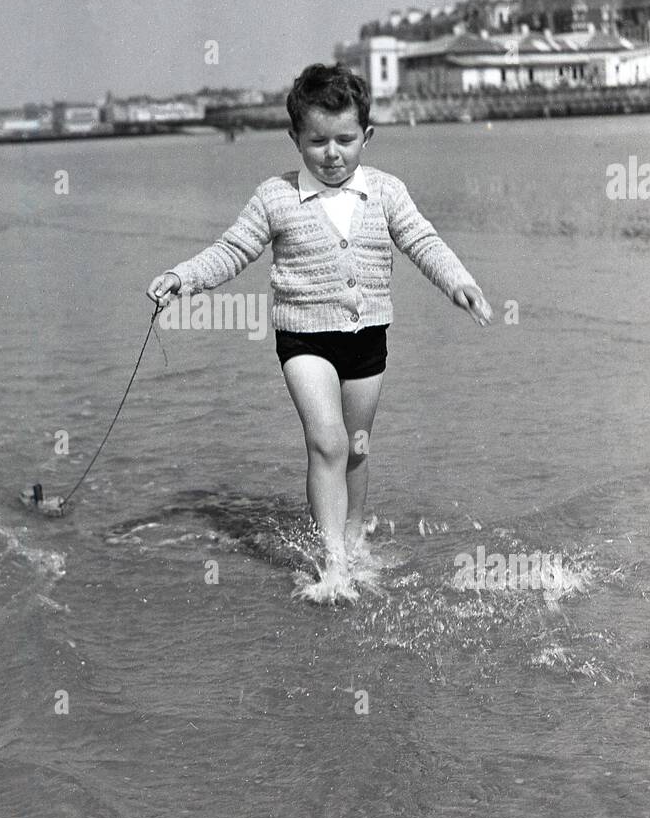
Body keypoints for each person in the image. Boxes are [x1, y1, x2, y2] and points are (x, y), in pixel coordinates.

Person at [147, 63, 491, 603]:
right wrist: (182, 277)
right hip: (304, 339)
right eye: (317, 141)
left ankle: (353, 542)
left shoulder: (386, 192)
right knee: (325, 440)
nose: (332, 153)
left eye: (346, 140)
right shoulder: (275, 197)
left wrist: (460, 283)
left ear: (367, 137)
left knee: (354, 448)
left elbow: (422, 241)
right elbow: (233, 250)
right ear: (295, 139)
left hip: (366, 336)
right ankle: (333, 563)